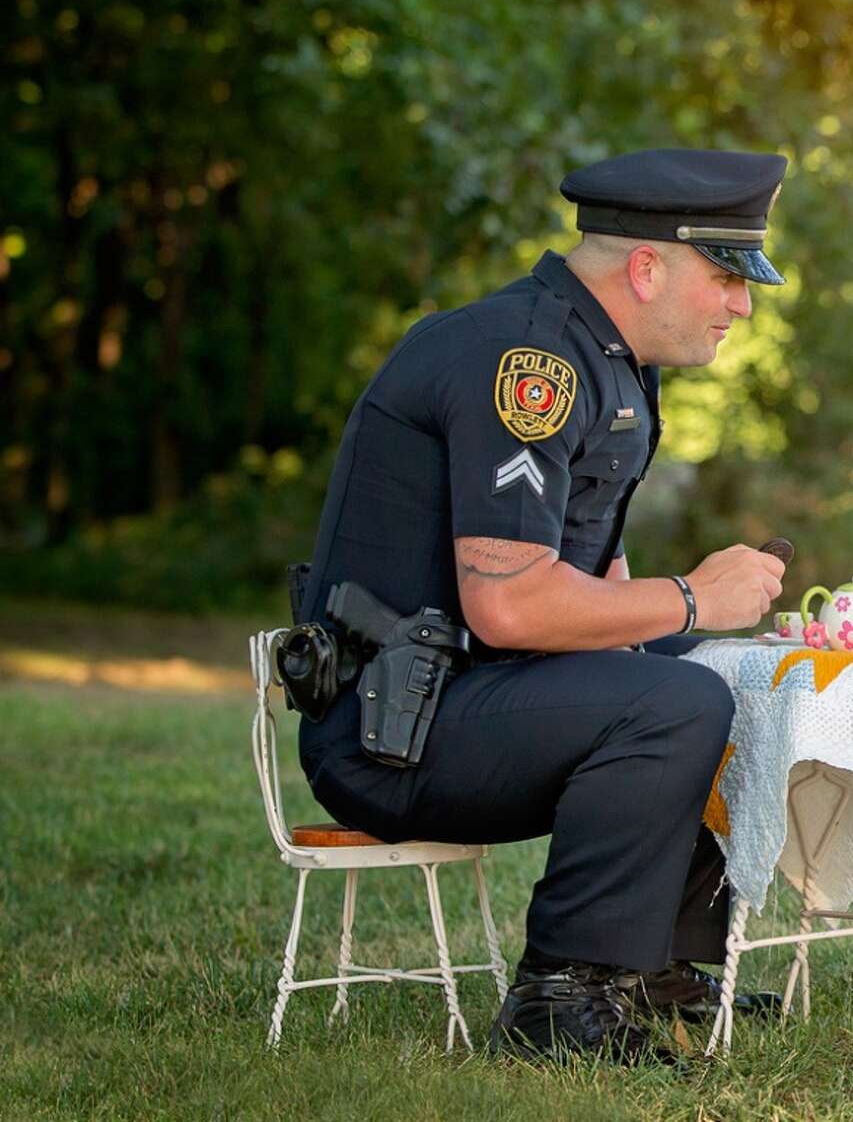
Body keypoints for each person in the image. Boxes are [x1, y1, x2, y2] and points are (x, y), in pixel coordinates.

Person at [294, 147, 792, 1065]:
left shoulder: (603, 357)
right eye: (726, 277)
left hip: (470, 696)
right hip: (393, 733)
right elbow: (511, 610)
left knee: (711, 673)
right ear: (648, 268)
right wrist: (690, 597)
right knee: (678, 696)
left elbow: (572, 584)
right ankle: (561, 1001)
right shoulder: (525, 361)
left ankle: (661, 970)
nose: (742, 304)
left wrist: (659, 612)